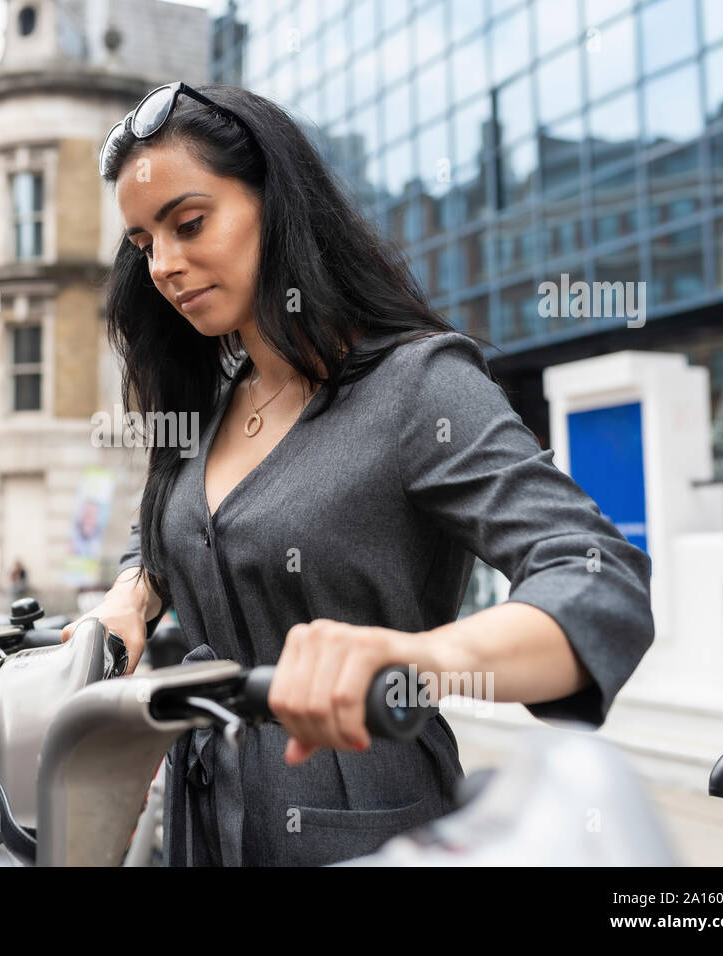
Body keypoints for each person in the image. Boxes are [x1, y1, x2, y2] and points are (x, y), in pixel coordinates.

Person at [61, 82, 655, 866]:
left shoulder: (417, 386)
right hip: (202, 821)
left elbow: (599, 578)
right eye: (144, 244)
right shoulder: (207, 401)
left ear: (276, 204)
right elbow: (176, 532)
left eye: (190, 223)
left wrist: (419, 661)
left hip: (364, 825)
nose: (165, 265)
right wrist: (130, 597)